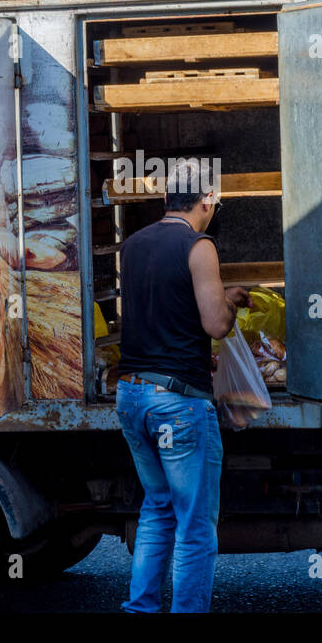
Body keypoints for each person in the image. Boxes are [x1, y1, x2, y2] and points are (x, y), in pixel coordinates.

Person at [114, 158, 249, 613]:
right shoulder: (199, 246)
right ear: (207, 199)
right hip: (177, 402)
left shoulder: (132, 245)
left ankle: (141, 609)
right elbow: (214, 325)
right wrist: (230, 304)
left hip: (131, 394)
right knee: (194, 525)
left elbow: (165, 305)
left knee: (157, 509)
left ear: (168, 196)